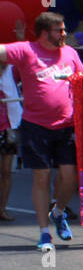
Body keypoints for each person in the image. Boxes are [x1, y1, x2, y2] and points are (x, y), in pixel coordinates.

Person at [0, 11, 83, 251]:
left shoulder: (70, 53)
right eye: (59, 30)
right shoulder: (26, 50)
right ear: (44, 33)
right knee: (42, 177)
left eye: (63, 29)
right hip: (35, 127)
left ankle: (58, 212)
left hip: (67, 126)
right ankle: (44, 233)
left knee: (70, 177)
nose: (64, 34)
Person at [0, 54, 21, 221]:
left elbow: (23, 60)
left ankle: (2, 209)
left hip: (8, 129)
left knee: (6, 171)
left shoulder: (10, 72)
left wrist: (21, 38)